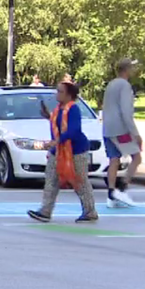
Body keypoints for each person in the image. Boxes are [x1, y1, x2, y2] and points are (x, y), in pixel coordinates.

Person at [27, 81, 97, 223]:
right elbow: (57, 123)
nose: (57, 94)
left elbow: (73, 130)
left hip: (76, 150)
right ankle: (45, 211)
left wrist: (57, 141)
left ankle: (90, 211)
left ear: (69, 95)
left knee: (80, 180)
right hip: (58, 150)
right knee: (51, 179)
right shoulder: (59, 109)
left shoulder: (73, 109)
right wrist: (48, 116)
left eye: (60, 92)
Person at [102, 58, 141, 208]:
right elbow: (126, 111)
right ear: (127, 70)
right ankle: (122, 188)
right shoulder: (125, 86)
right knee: (136, 157)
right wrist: (135, 133)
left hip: (108, 127)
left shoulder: (111, 84)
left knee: (113, 159)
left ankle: (111, 193)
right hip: (121, 129)